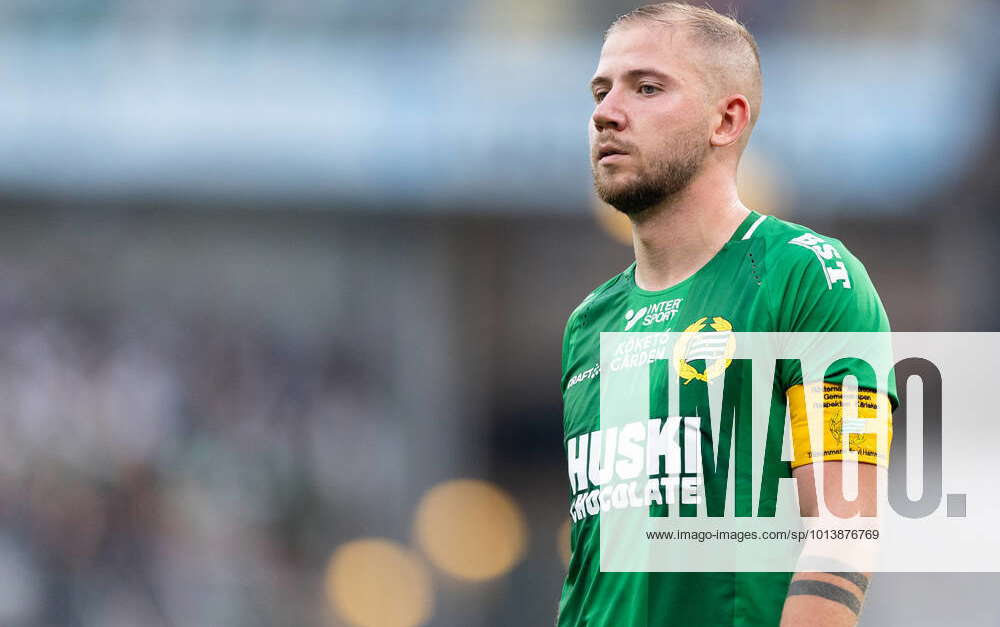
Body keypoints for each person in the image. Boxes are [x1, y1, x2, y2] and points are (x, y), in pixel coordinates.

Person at [558, 3, 894, 626]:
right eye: (601, 92)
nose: (606, 112)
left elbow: (844, 531)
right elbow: (592, 574)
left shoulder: (809, 276)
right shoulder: (590, 323)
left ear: (726, 120)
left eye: (647, 87)